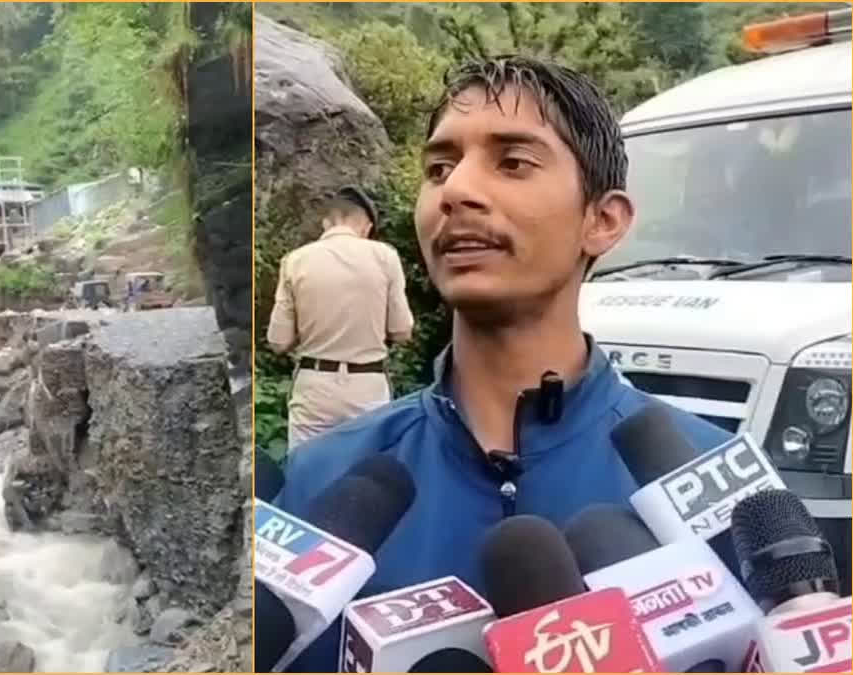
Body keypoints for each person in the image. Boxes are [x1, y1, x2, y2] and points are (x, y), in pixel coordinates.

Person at [268, 56, 733, 672]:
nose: (457, 190)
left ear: (603, 219)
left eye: (513, 162)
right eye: (439, 168)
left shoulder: (719, 488)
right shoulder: (318, 486)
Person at [266, 185, 415, 450]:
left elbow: (278, 341)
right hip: (368, 386)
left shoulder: (295, 260)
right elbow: (402, 331)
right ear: (367, 226)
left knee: (306, 475)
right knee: (367, 477)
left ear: (326, 223)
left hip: (315, 387)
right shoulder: (385, 257)